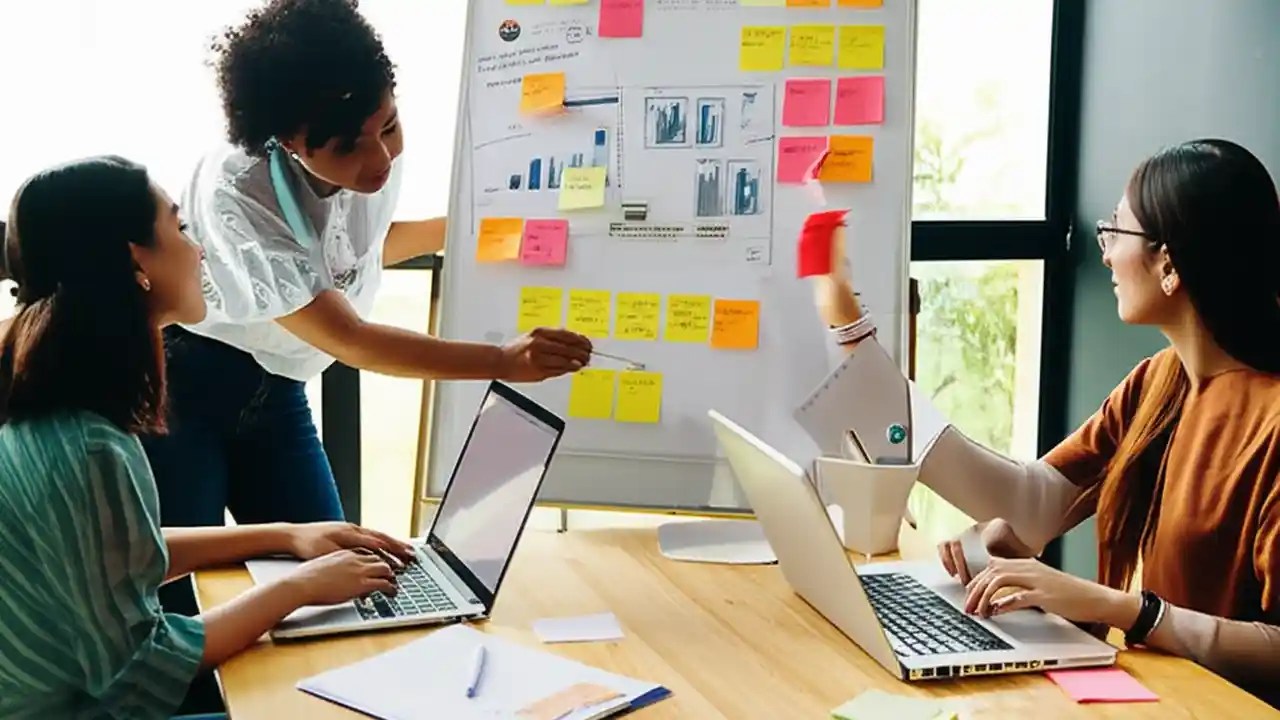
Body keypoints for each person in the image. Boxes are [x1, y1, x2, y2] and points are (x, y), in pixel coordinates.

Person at [810, 139, 1280, 705]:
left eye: (1116, 232)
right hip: (1157, 698)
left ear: (1169, 263)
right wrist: (849, 327)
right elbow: (1029, 504)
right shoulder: (1159, 382)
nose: (1104, 252)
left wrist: (1120, 607)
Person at [141, 0, 592, 536]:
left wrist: (479, 229)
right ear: (288, 141)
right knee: (182, 589)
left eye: (390, 127)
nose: (379, 158)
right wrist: (500, 359)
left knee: (335, 572)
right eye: (348, 146)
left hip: (279, 384)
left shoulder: (372, 158)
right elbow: (346, 337)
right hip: (190, 384)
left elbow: (353, 252)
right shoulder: (239, 192)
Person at [0, 155, 417, 719]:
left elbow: (118, 556)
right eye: (178, 227)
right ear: (135, 261)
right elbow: (140, 667)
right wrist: (295, 589)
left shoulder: (50, 410)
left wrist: (287, 536)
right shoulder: (91, 445)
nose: (198, 250)